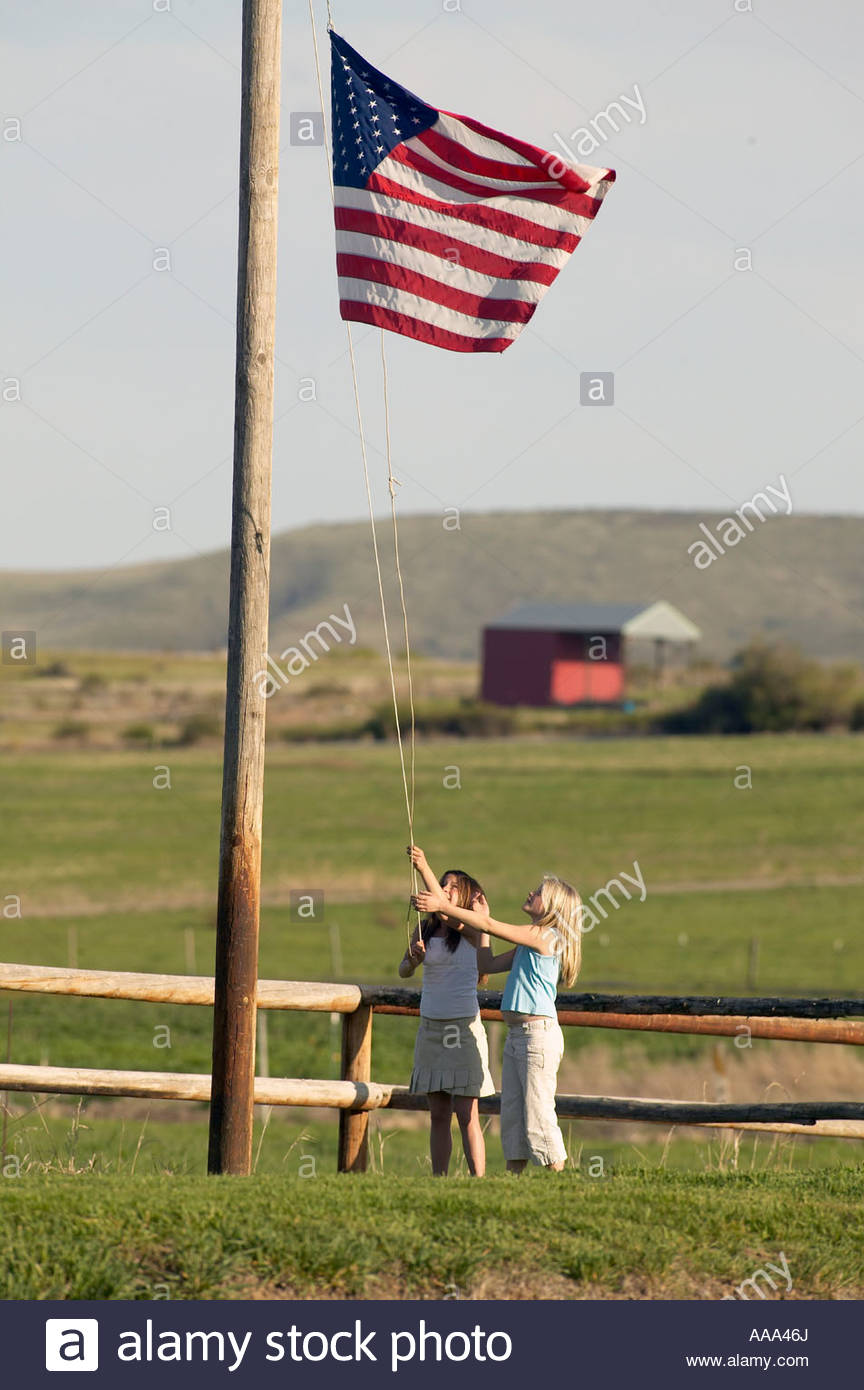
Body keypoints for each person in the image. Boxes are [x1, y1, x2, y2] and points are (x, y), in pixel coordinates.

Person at [409, 849, 582, 1173]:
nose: (531, 893)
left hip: (537, 1038)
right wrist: (482, 928)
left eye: (539, 893)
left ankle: (562, 1182)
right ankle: (512, 1184)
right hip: (520, 1037)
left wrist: (444, 905)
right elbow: (486, 963)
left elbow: (487, 924)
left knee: (539, 1117)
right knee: (515, 1116)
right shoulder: (529, 943)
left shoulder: (544, 936)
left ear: (553, 908)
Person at [398, 851, 495, 1176]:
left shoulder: (469, 928)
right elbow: (403, 970)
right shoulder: (426, 930)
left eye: (452, 887)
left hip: (462, 1026)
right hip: (431, 1027)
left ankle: (477, 1180)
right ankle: (438, 1180)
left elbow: (447, 910)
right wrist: (413, 960)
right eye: (443, 884)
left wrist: (423, 866)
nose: (444, 889)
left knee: (467, 1114)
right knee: (438, 1114)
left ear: (465, 897)